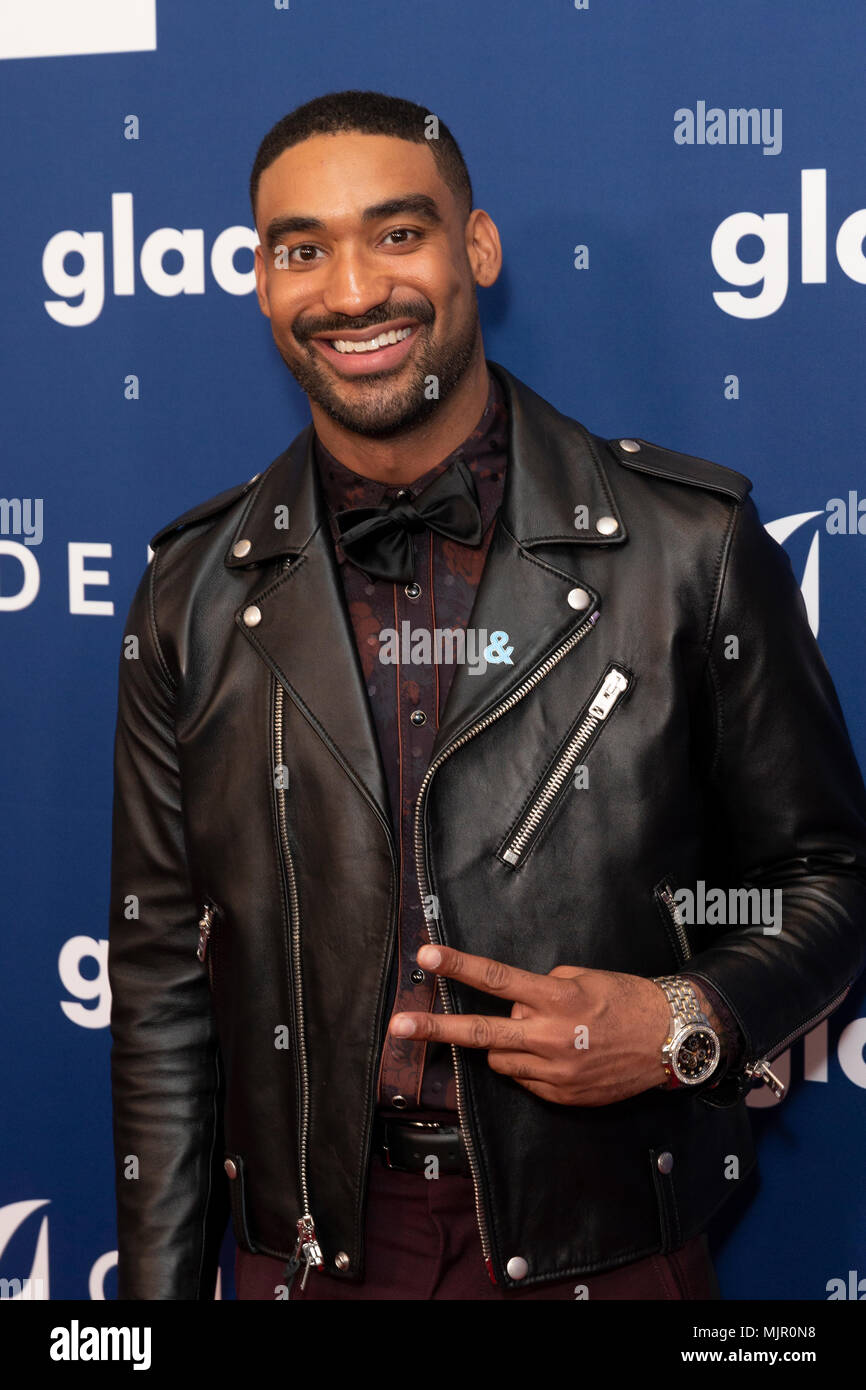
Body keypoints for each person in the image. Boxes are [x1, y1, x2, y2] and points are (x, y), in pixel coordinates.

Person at [108, 90, 866, 1301]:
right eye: (301, 248)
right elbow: (158, 970)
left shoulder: (688, 545)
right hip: (305, 1259)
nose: (349, 290)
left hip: (606, 1241)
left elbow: (829, 878)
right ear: (260, 281)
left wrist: (685, 1013)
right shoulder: (189, 591)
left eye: (395, 233)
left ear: (476, 250)